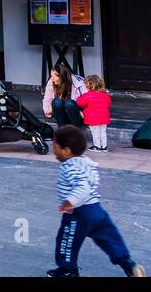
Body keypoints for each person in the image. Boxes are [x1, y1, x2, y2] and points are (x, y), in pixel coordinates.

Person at [48, 124, 145, 278]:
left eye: (55, 146)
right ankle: (129, 265)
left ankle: (67, 270)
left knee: (67, 240)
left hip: (78, 213)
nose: (53, 150)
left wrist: (70, 201)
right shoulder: (85, 162)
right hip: (96, 210)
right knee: (109, 238)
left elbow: (83, 187)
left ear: (66, 151)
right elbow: (93, 181)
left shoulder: (69, 166)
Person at [43, 63, 87, 128]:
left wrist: (84, 114)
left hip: (76, 115)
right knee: (57, 101)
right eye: (51, 76)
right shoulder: (51, 82)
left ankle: (76, 130)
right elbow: (47, 99)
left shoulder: (79, 82)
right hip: (61, 115)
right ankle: (62, 130)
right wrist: (48, 109)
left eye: (54, 76)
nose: (52, 79)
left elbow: (88, 100)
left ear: (61, 76)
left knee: (69, 103)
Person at [76, 75, 113, 151]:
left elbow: (79, 103)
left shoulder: (87, 96)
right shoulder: (106, 96)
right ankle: (104, 147)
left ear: (89, 86)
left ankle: (97, 147)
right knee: (103, 132)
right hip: (104, 118)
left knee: (95, 133)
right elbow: (108, 104)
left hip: (93, 118)